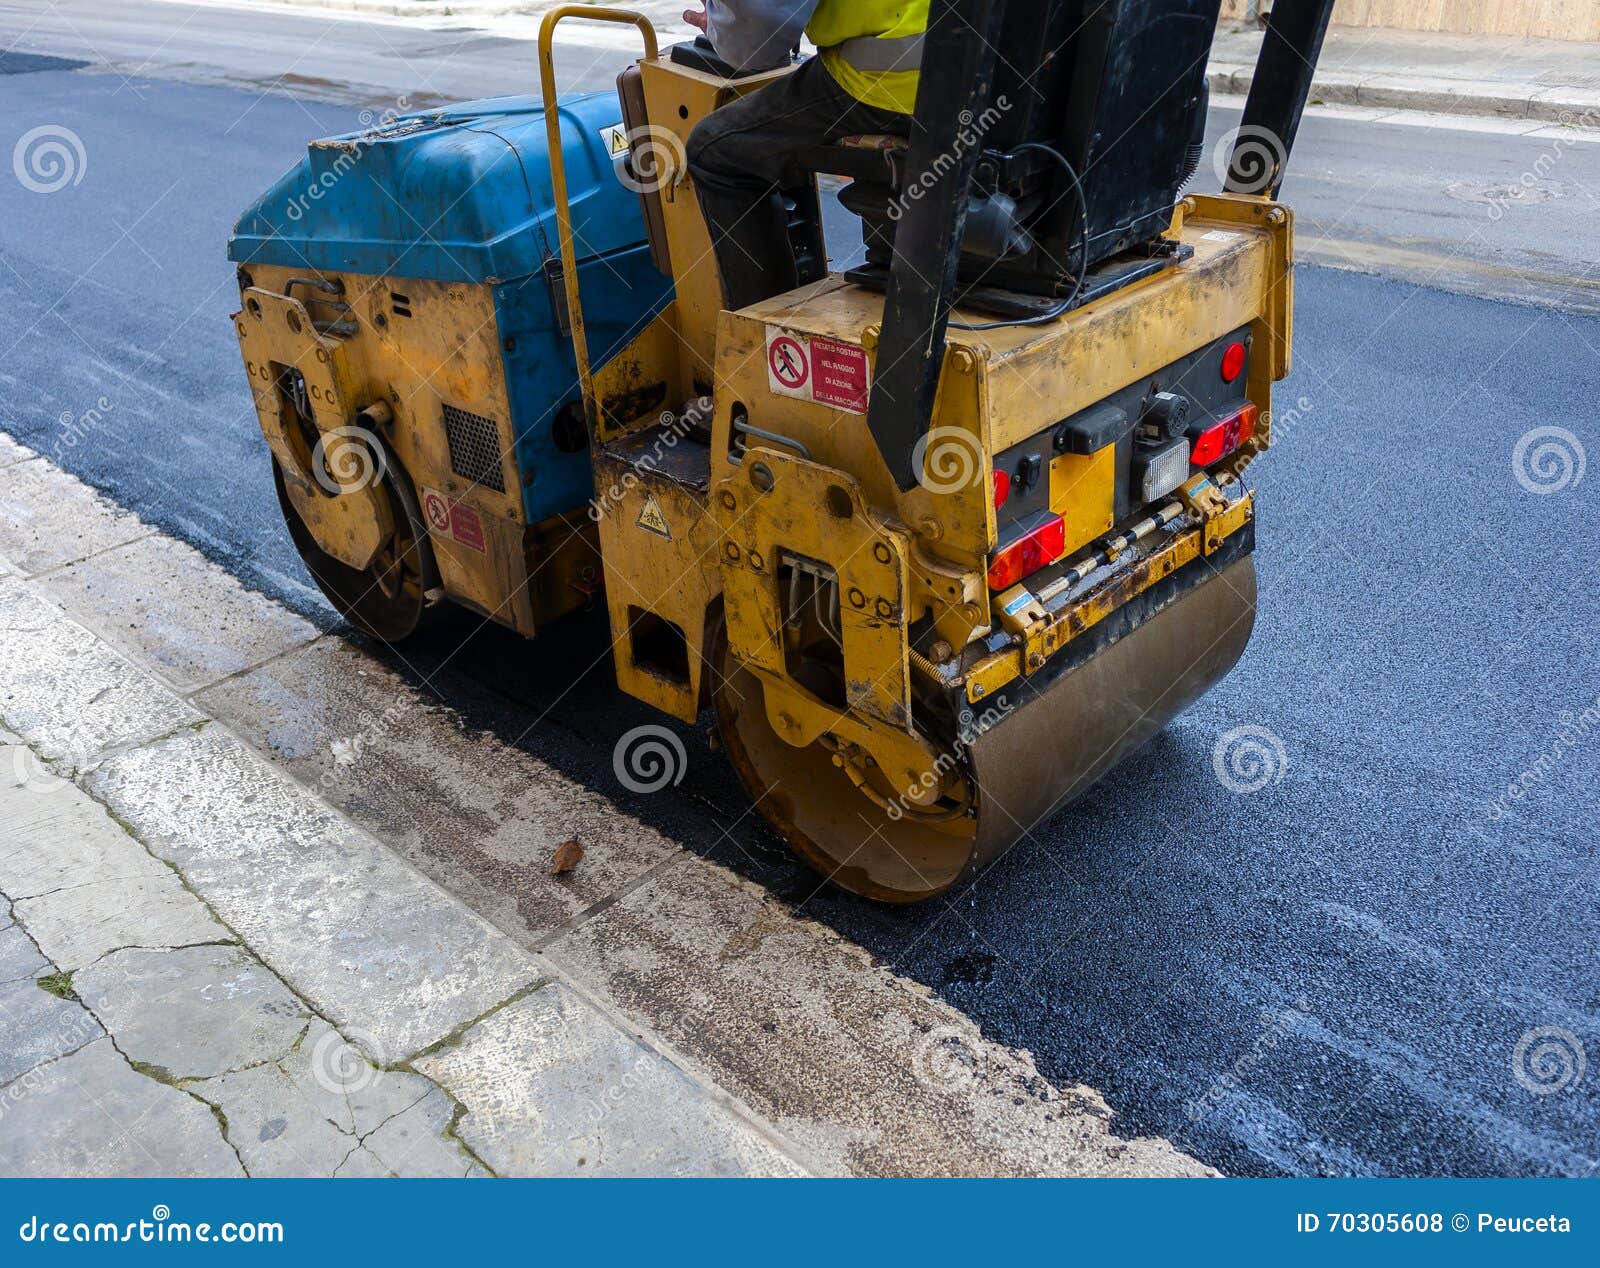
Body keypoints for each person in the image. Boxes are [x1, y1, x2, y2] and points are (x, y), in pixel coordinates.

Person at [683, 1, 927, 311]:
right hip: (978, 74)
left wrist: (720, 26)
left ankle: (766, 327)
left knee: (714, 150)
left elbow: (756, 39)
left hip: (894, 83)